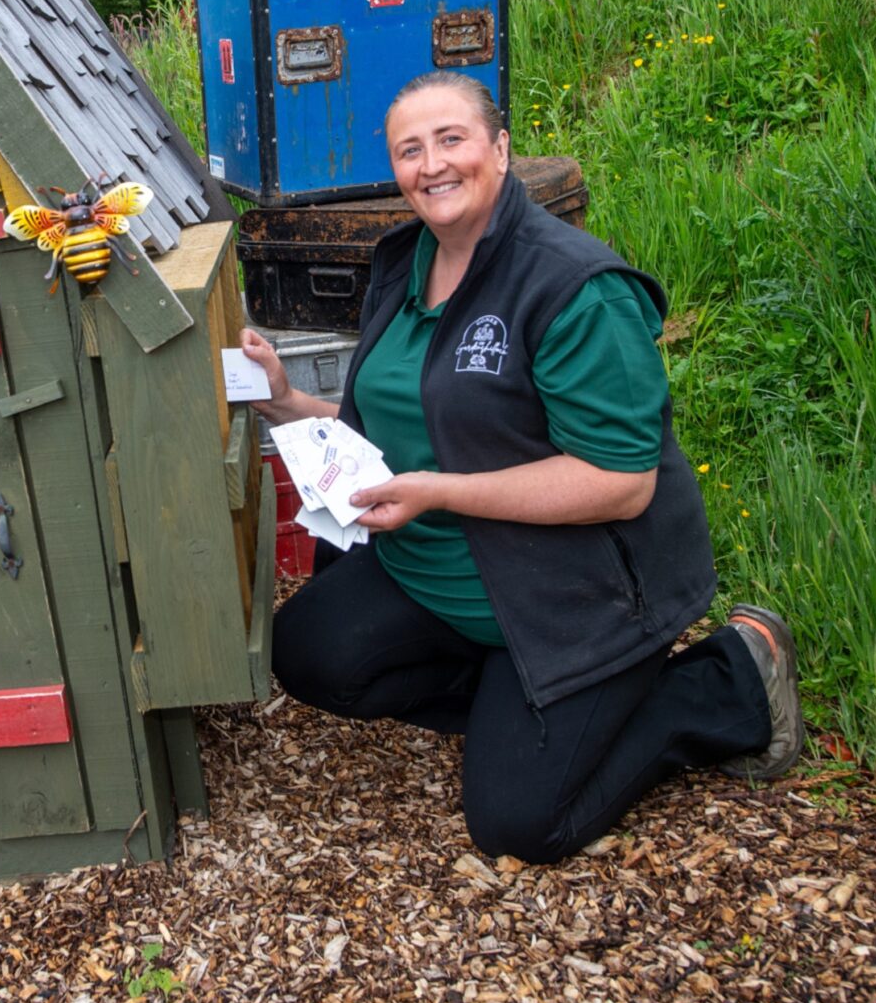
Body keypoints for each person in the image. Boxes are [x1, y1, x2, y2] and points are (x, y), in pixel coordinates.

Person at [242, 71, 801, 864]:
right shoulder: (406, 264)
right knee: (307, 652)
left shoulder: (573, 286)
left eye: (451, 139)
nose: (431, 164)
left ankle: (727, 678)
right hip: (445, 579)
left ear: (500, 151)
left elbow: (620, 480)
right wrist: (288, 400)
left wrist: (436, 491)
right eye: (409, 150)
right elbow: (400, 425)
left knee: (521, 824)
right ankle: (529, 707)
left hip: (568, 590)